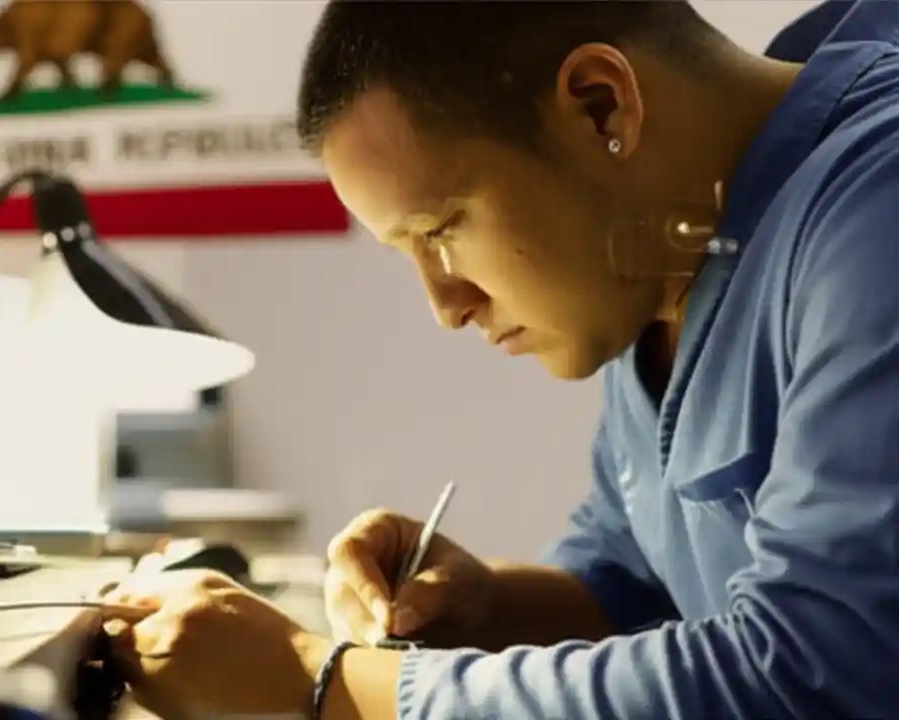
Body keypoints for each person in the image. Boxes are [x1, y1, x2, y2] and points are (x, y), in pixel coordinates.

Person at [102, 0, 899, 717]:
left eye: (442, 231)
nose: (447, 307)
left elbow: (817, 671)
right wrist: (487, 606)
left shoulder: (875, 210)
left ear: (599, 106)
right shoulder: (668, 259)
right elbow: (634, 583)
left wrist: (320, 682)